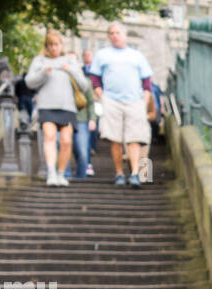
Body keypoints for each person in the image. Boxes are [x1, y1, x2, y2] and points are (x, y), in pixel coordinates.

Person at [87, 22, 155, 188]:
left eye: (118, 32)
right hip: (112, 101)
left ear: (125, 35)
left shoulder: (136, 55)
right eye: (111, 33)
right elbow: (94, 77)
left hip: (135, 103)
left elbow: (147, 82)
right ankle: (120, 173)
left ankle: (139, 176)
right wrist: (101, 95)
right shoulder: (102, 55)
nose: (114, 35)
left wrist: (145, 101)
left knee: (137, 141)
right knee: (115, 139)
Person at [25, 30, 91, 187]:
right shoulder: (39, 61)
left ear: (61, 45)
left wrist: (71, 70)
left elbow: (84, 85)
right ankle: (51, 172)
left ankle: (61, 173)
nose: (53, 48)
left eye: (56, 44)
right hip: (47, 106)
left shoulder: (69, 61)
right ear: (46, 46)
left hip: (67, 107)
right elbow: (29, 82)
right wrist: (43, 73)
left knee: (67, 142)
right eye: (50, 45)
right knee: (49, 137)